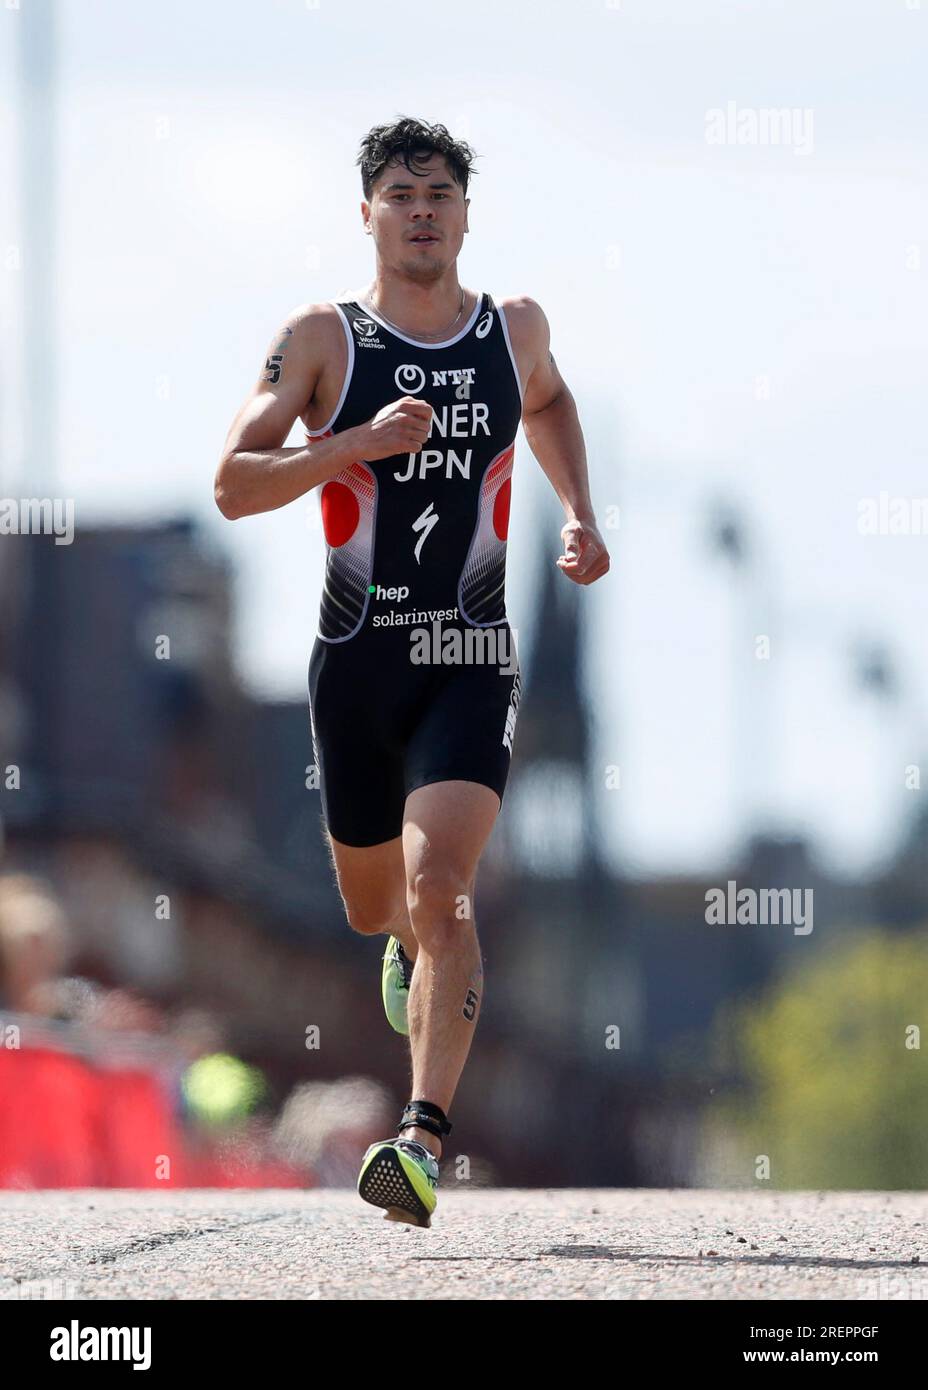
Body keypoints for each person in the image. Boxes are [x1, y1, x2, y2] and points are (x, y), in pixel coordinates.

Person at [215, 116, 609, 1228]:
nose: (422, 209)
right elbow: (234, 482)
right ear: (368, 214)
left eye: (439, 192)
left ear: (466, 214)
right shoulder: (320, 341)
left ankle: (419, 1138)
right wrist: (354, 443)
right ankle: (404, 943)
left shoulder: (513, 328)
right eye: (400, 193)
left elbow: (551, 400)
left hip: (471, 652)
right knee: (373, 904)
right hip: (357, 659)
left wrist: (579, 514)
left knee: (445, 891)